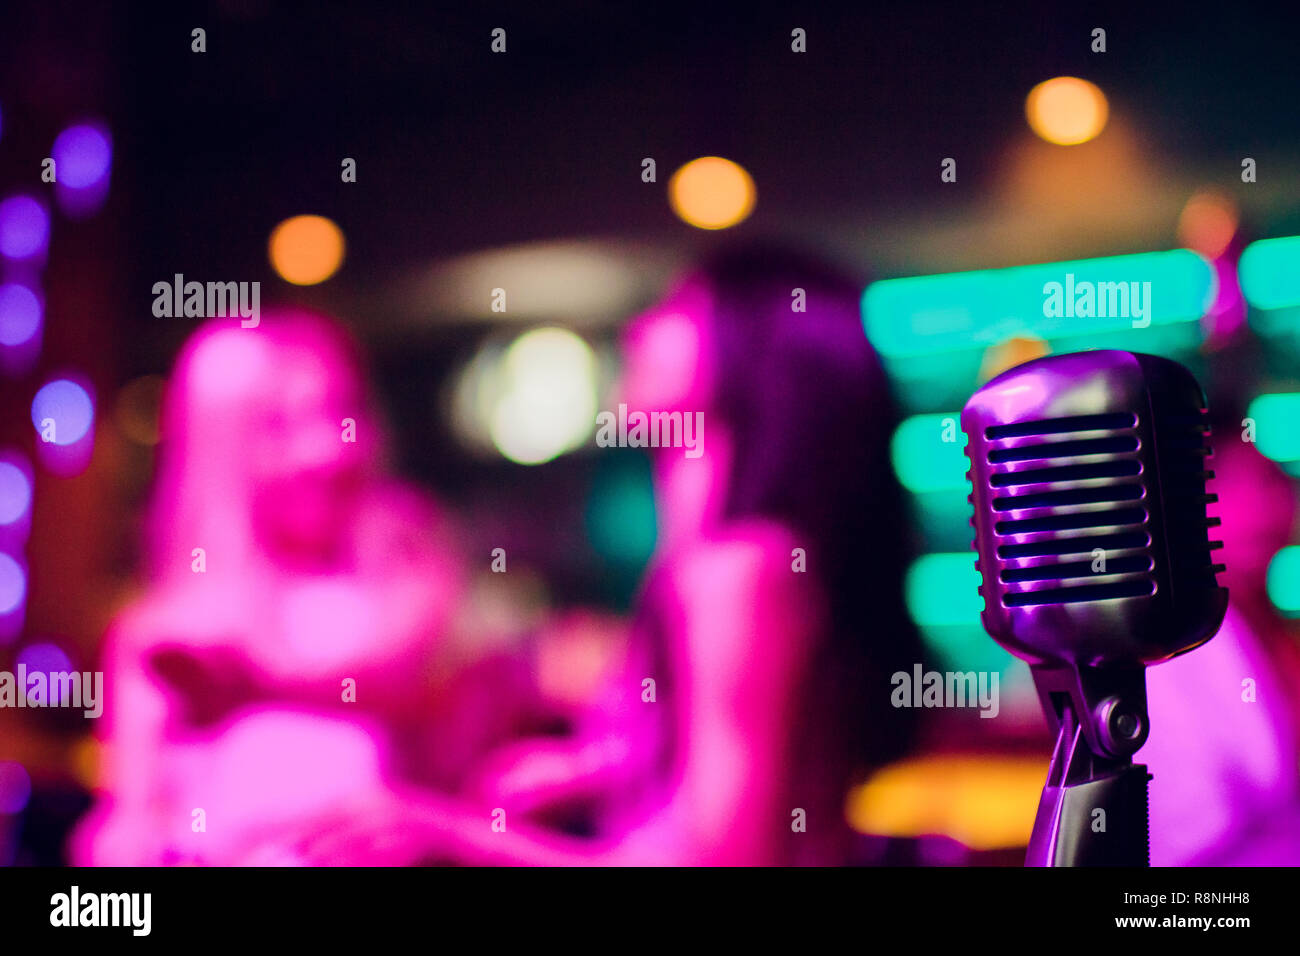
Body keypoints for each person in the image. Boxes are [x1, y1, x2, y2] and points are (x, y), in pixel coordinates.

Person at [283, 244, 925, 865]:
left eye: (677, 310)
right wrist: (601, 771)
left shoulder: (738, 572)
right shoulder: (721, 560)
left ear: (749, 349)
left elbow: (721, 862)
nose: (642, 328)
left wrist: (453, 837)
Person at [71, 309, 512, 865]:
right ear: (225, 445)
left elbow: (414, 681)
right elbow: (127, 818)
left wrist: (249, 680)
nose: (329, 450)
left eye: (343, 413)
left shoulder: (410, 568)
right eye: (283, 426)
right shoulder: (162, 625)